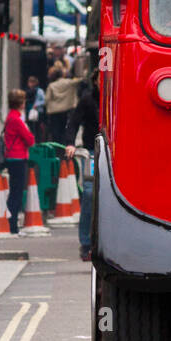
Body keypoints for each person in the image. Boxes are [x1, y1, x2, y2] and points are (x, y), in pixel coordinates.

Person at [64, 75, 99, 262]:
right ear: (96, 82)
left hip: (117, 153)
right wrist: (70, 143)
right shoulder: (87, 100)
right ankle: (85, 243)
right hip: (93, 152)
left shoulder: (120, 95)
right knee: (89, 193)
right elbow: (74, 122)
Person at [4, 90, 34, 235]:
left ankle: (12, 223)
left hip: (11, 157)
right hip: (18, 157)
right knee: (16, 192)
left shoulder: (10, 117)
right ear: (21, 103)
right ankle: (12, 225)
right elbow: (29, 139)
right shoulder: (17, 119)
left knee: (14, 191)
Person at [44, 66, 80, 142]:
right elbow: (80, 80)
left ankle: (57, 147)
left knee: (55, 131)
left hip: (54, 112)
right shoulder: (69, 82)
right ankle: (64, 146)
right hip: (67, 110)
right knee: (65, 129)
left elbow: (47, 99)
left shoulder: (51, 86)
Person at [25, 73, 46, 141]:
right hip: (30, 111)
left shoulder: (39, 91)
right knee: (31, 127)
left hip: (37, 112)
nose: (29, 84)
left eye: (30, 82)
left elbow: (44, 100)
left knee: (37, 128)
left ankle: (38, 140)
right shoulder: (28, 91)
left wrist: (36, 105)